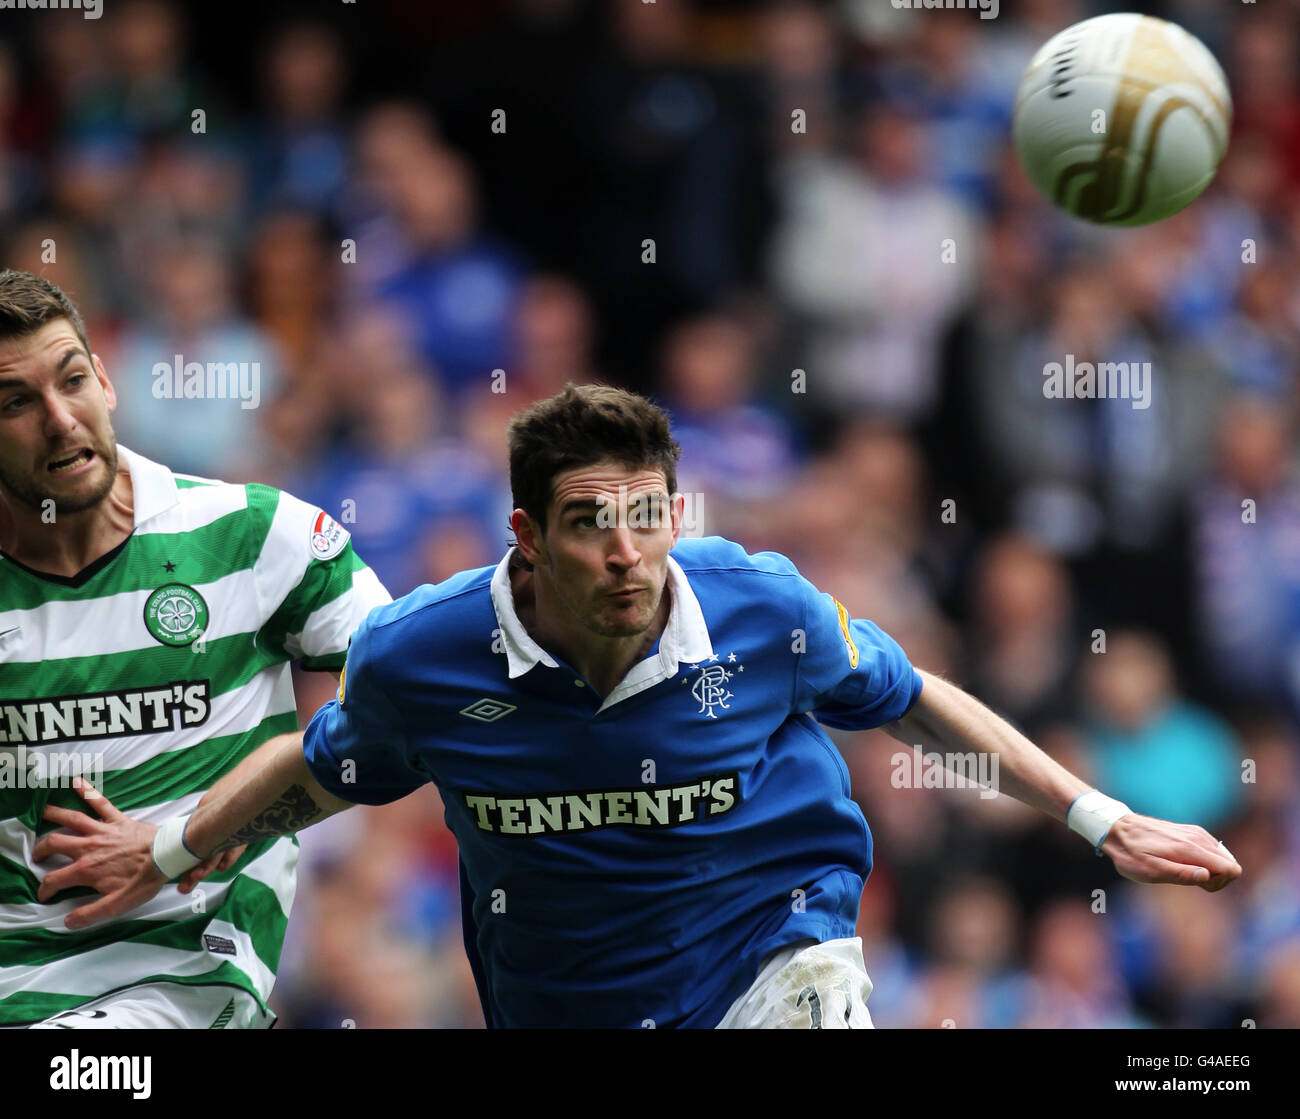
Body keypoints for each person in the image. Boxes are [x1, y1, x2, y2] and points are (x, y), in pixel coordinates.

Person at [38, 384, 1242, 1029]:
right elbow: (320, 765)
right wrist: (168, 848)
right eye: (586, 524)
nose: (624, 554)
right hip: (563, 996)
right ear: (526, 534)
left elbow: (915, 701)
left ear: (677, 511)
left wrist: (1100, 820)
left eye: (646, 517)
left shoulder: (764, 609)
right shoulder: (424, 655)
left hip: (779, 950)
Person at [0, 270, 390, 1028]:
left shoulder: (254, 537)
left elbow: (399, 724)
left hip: (184, 981)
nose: (60, 419)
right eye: (15, 402)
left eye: (73, 379)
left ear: (106, 380)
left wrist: (184, 841)